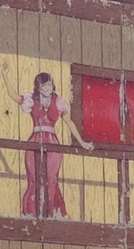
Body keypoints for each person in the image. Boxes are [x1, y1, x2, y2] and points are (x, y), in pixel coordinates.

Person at [1, 60, 93, 218]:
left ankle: (51, 214)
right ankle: (32, 214)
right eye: (43, 85)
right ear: (38, 87)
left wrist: (82, 142)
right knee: (33, 178)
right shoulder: (32, 100)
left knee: (51, 179)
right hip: (35, 141)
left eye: (49, 85)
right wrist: (4, 75)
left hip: (52, 143)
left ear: (53, 85)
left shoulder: (58, 102)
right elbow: (13, 96)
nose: (46, 88)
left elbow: (69, 123)